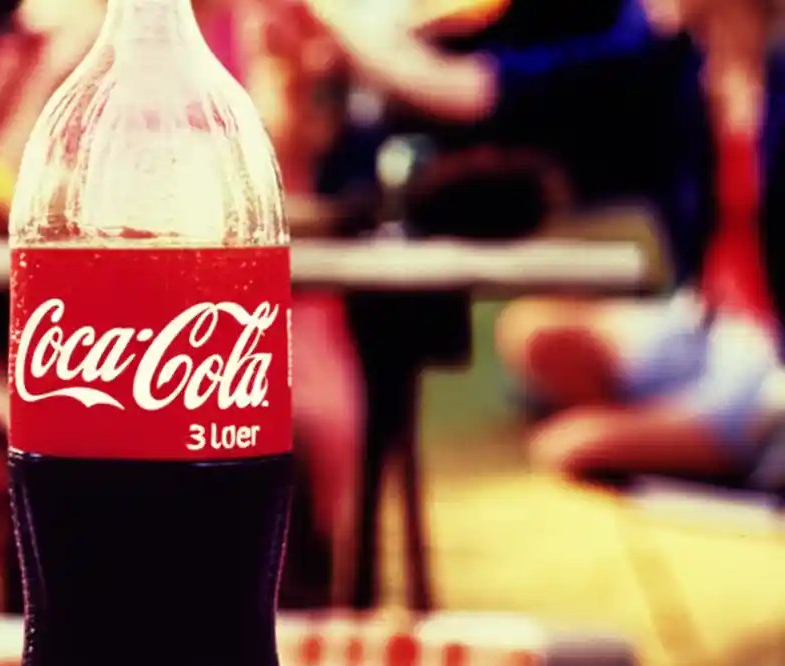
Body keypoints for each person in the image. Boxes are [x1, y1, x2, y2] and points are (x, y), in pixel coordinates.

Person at [311, 0, 785, 481]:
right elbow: (492, 91)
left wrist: (344, 21)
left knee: (569, 447)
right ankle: (710, 427)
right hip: (700, 324)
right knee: (533, 335)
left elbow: (473, 92)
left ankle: (738, 433)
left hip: (768, 350)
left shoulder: (768, 73)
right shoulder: (676, 67)